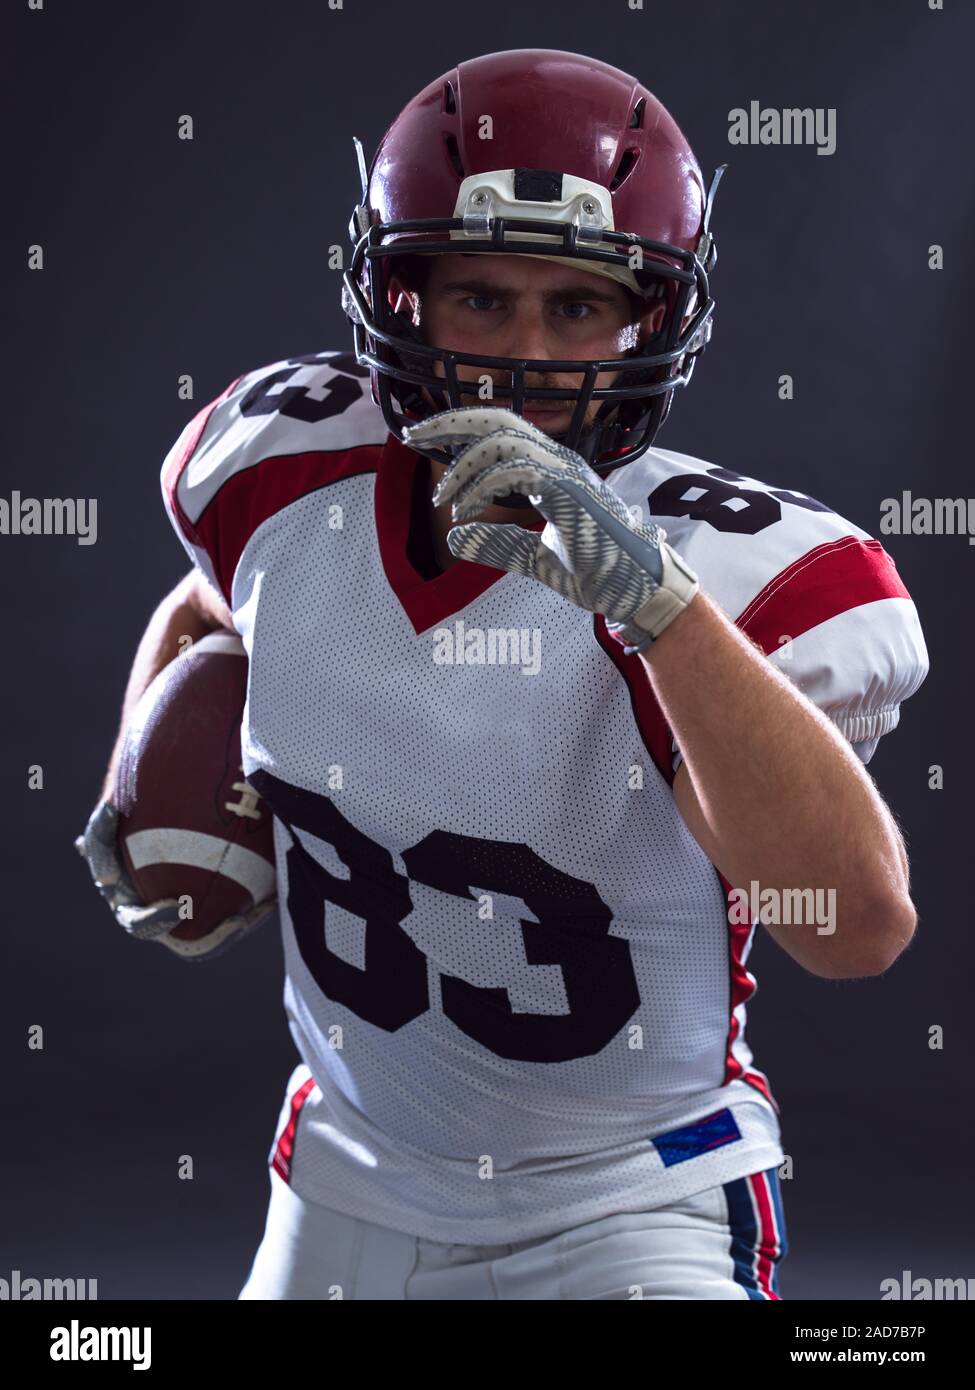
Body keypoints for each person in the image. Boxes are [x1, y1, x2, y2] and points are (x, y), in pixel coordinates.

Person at [77, 49, 928, 1300]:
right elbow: (215, 599)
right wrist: (144, 780)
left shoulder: (735, 573)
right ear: (404, 298)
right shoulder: (279, 474)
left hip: (627, 1201)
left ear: (649, 320)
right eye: (482, 298)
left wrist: (661, 610)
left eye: (576, 308)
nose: (523, 360)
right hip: (348, 1176)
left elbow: (856, 929)